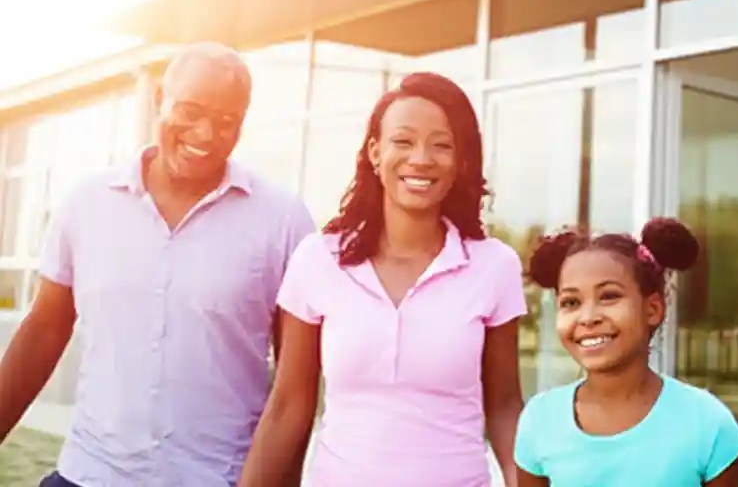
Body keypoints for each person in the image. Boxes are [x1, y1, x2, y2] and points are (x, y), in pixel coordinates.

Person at [0, 42, 316, 486]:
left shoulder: (283, 221)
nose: (206, 134)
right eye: (190, 111)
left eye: (227, 122)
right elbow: (44, 330)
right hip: (89, 475)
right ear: (157, 102)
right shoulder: (86, 204)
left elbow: (294, 389)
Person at [238, 72, 526, 487]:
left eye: (441, 144)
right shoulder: (318, 259)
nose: (421, 158)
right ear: (375, 152)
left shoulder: (494, 265)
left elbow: (504, 407)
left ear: (461, 161)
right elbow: (287, 406)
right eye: (403, 141)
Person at [515, 218, 738, 487]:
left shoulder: (707, 424)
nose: (588, 317)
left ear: (652, 310)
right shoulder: (540, 421)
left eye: (609, 296)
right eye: (571, 302)